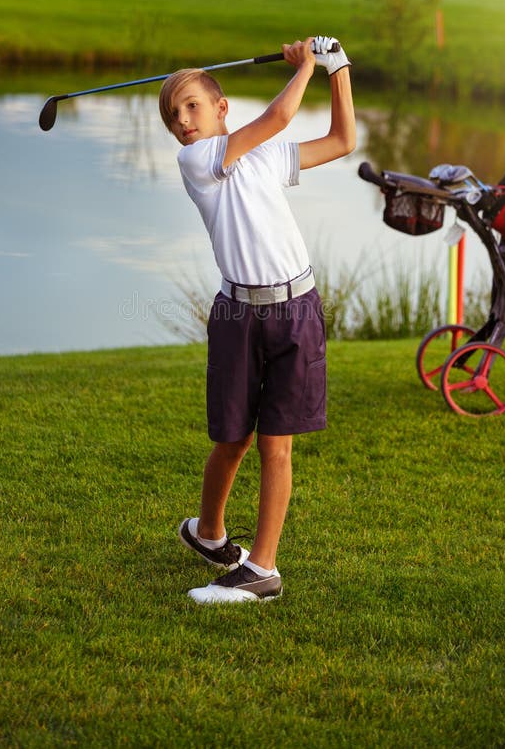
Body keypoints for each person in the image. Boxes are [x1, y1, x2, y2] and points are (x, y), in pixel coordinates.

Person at [158, 36, 356, 603]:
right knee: (232, 437)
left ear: (221, 107)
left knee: (276, 444)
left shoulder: (264, 156)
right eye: (173, 116)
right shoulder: (196, 161)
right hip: (237, 313)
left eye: (192, 106)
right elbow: (279, 115)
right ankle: (210, 533)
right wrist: (306, 66)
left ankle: (262, 570)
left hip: (296, 308)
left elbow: (342, 140)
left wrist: (338, 68)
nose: (183, 121)